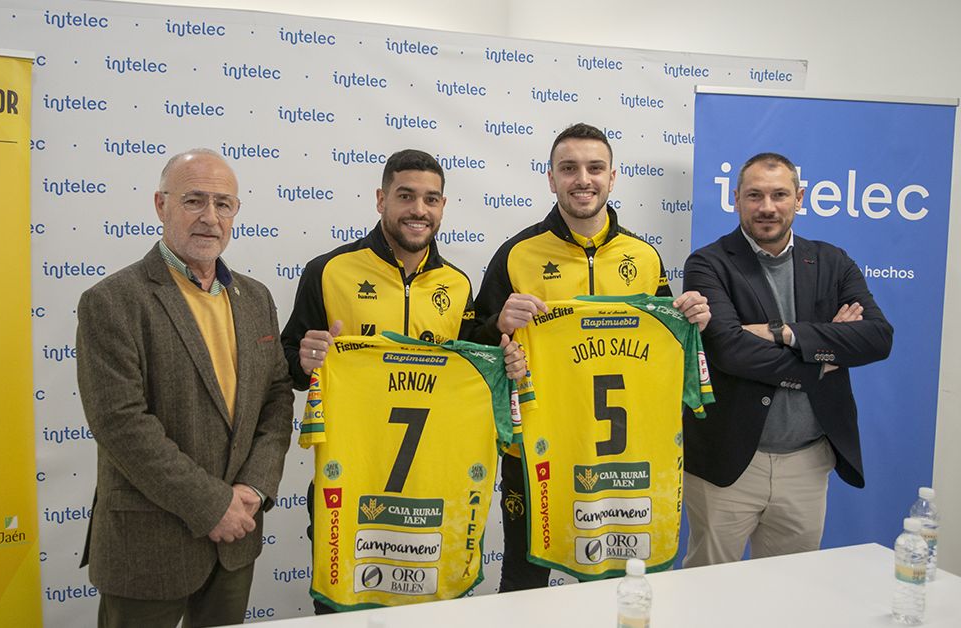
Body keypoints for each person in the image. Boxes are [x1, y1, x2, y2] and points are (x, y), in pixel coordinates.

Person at [280, 149, 525, 614]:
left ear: (443, 206)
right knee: (344, 610)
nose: (419, 210)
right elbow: (289, 361)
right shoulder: (328, 271)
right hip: (352, 483)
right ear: (381, 199)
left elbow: (477, 364)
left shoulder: (456, 284)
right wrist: (306, 360)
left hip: (438, 484)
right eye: (406, 196)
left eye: (431, 199)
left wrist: (505, 356)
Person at [473, 123, 710, 592]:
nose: (583, 179)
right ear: (551, 179)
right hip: (536, 446)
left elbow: (667, 344)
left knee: (620, 575)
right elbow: (476, 350)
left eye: (594, 168)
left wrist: (693, 320)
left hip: (625, 450)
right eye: (569, 168)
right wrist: (498, 326)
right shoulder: (516, 254)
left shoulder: (644, 256)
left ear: (613, 176)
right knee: (525, 572)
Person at [76, 149, 293, 627]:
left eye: (223, 204)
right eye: (194, 200)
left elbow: (276, 399)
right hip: (147, 546)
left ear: (236, 212)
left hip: (236, 540)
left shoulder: (255, 298)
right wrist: (214, 505)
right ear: (160, 204)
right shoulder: (112, 301)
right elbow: (120, 423)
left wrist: (255, 488)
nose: (210, 218)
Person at [681, 151, 892, 567]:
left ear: (799, 198)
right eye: (755, 195)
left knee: (790, 595)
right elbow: (731, 351)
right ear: (736, 198)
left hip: (807, 462)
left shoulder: (833, 261)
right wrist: (826, 352)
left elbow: (877, 338)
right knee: (705, 593)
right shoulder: (708, 263)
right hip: (728, 462)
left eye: (779, 194)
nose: (767, 207)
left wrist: (784, 333)